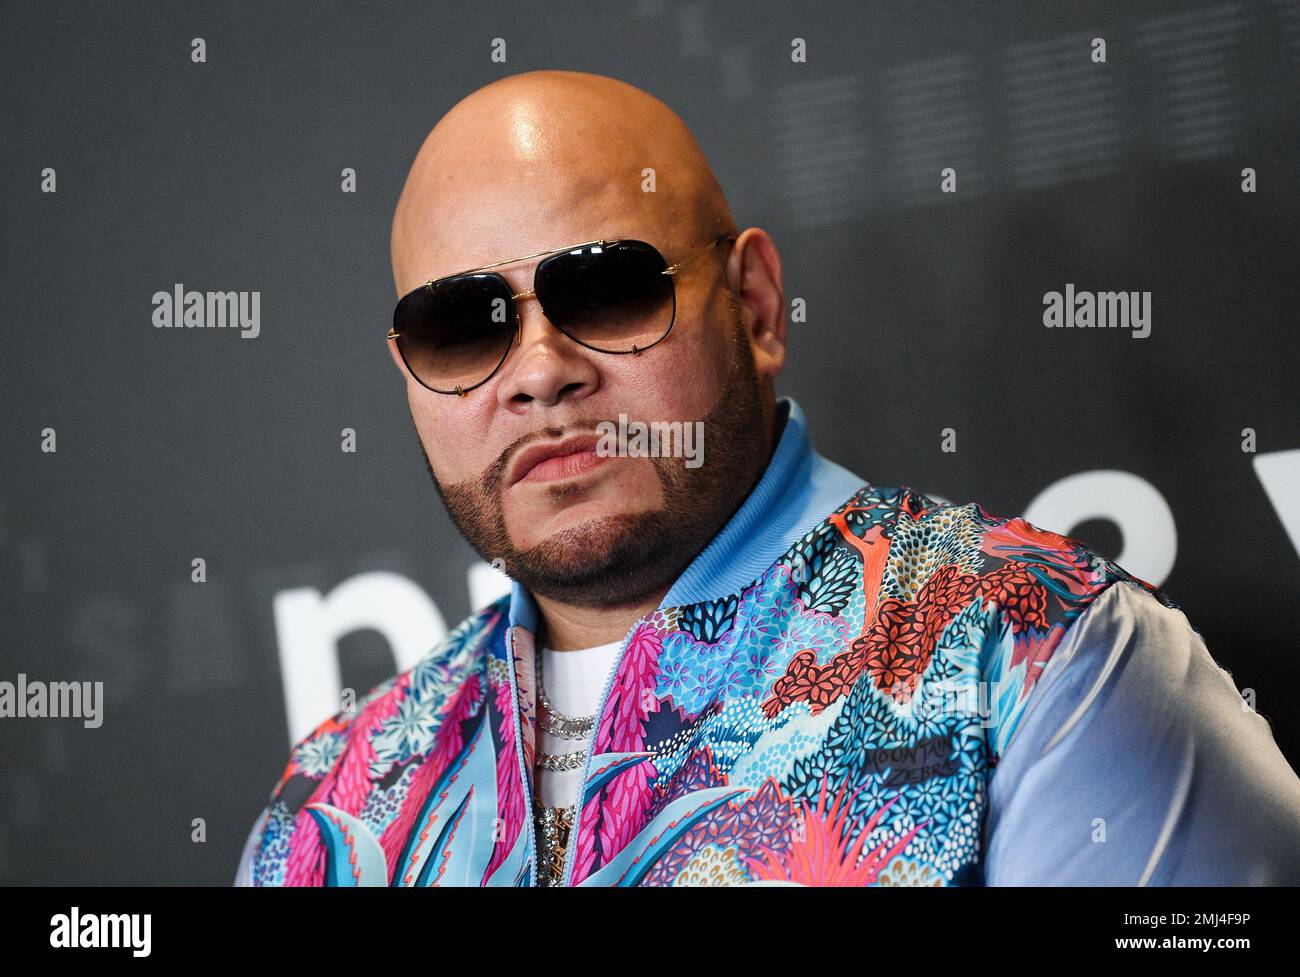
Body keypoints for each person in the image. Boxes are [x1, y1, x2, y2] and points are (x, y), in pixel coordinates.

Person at [234, 70, 1300, 887]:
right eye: (463, 327)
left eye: (606, 290)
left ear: (753, 305)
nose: (540, 371)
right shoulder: (335, 799)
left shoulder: (1045, 659)